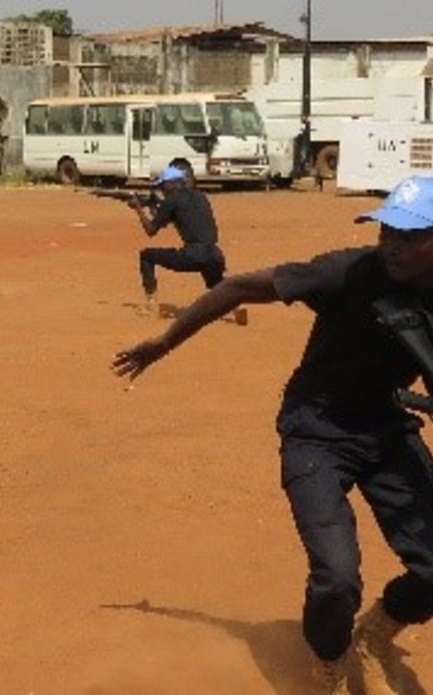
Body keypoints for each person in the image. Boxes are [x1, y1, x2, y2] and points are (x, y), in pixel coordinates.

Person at [111, 175, 433, 693]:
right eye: (386, 232)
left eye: (410, 235)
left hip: (388, 428)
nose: (392, 244)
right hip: (317, 430)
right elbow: (239, 287)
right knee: (336, 579)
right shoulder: (347, 272)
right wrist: (164, 342)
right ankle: (329, 662)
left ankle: (375, 635)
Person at [129, 164, 246, 324]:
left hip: (192, 255)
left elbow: (151, 230)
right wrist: (153, 206)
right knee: (215, 283)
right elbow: (174, 218)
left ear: (171, 184)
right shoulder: (200, 196)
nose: (162, 190)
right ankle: (236, 308)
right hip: (215, 255)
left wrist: (138, 209)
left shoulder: (171, 200)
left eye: (163, 186)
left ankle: (152, 306)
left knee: (147, 255)